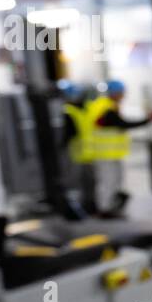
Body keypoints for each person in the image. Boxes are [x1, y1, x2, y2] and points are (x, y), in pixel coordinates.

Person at [86, 79, 152, 217]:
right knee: (108, 180)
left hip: (110, 152)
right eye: (122, 93)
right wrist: (147, 120)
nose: (123, 96)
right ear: (115, 93)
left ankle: (109, 205)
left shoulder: (108, 106)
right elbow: (122, 124)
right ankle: (104, 209)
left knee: (115, 179)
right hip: (104, 153)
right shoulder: (105, 108)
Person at [59, 79, 98, 214]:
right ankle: (90, 204)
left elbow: (68, 133)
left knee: (77, 181)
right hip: (88, 151)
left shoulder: (68, 111)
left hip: (76, 152)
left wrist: (60, 147)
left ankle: (83, 206)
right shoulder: (85, 108)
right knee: (89, 181)